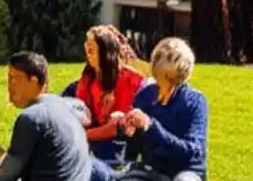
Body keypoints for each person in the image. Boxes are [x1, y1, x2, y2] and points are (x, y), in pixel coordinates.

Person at [0, 52, 92, 181]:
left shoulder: (31, 118)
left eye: (14, 78)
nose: (9, 86)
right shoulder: (67, 105)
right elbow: (83, 112)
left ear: (33, 81)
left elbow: (5, 177)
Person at [116, 38, 208, 181]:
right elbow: (133, 146)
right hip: (153, 168)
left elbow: (192, 151)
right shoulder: (146, 96)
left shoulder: (195, 102)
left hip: (186, 170)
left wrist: (150, 126)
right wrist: (124, 128)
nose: (158, 83)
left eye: (166, 79)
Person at [75, 26, 145, 179]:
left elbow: (119, 127)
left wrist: (81, 135)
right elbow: (80, 112)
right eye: (86, 43)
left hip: (121, 145)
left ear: (104, 49)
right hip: (93, 141)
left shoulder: (130, 79)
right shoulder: (87, 79)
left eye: (92, 44)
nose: (87, 48)